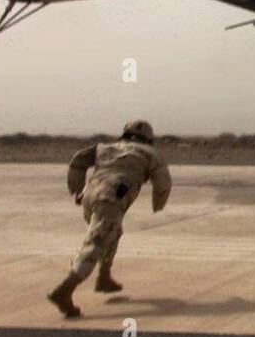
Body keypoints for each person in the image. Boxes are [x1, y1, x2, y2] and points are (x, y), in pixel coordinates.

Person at [47, 119, 172, 318]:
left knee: (114, 233)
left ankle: (104, 277)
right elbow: (163, 181)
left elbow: (78, 160)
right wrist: (158, 204)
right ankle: (64, 291)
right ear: (149, 138)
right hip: (111, 199)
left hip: (91, 196)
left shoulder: (104, 147)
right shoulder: (150, 154)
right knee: (95, 244)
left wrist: (77, 190)